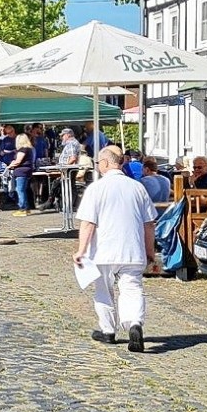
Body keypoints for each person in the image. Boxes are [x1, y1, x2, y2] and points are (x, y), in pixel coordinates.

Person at [74, 146, 159, 352]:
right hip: (132, 249)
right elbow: (149, 224)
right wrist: (150, 251)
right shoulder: (137, 187)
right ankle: (134, 323)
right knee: (132, 288)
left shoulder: (96, 189)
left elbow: (88, 224)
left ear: (104, 163)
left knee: (104, 290)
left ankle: (108, 331)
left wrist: (81, 250)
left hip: (103, 249)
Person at [5, 125, 36, 216]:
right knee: (23, 190)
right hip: (25, 171)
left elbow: (18, 161)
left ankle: (22, 208)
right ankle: (26, 208)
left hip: (22, 172)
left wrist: (9, 166)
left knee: (20, 190)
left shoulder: (23, 149)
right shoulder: (28, 149)